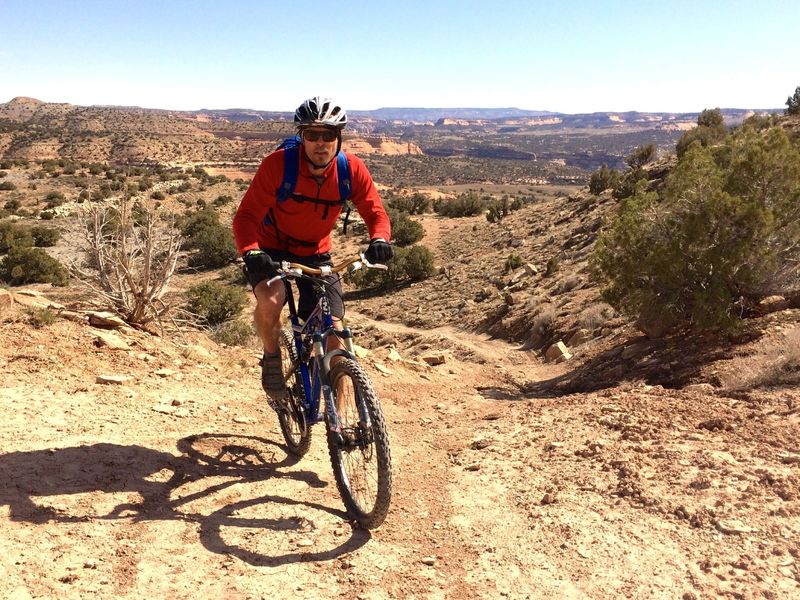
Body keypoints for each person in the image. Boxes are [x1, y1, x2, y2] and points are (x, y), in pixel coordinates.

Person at [232, 96, 393, 402]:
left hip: (315, 252)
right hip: (271, 248)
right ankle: (272, 357)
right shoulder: (278, 165)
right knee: (272, 300)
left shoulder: (350, 169)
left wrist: (380, 239)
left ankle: (341, 419)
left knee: (334, 332)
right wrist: (251, 250)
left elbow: (376, 213)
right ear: (302, 137)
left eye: (328, 135)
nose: (321, 143)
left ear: (339, 138)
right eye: (312, 135)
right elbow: (247, 216)